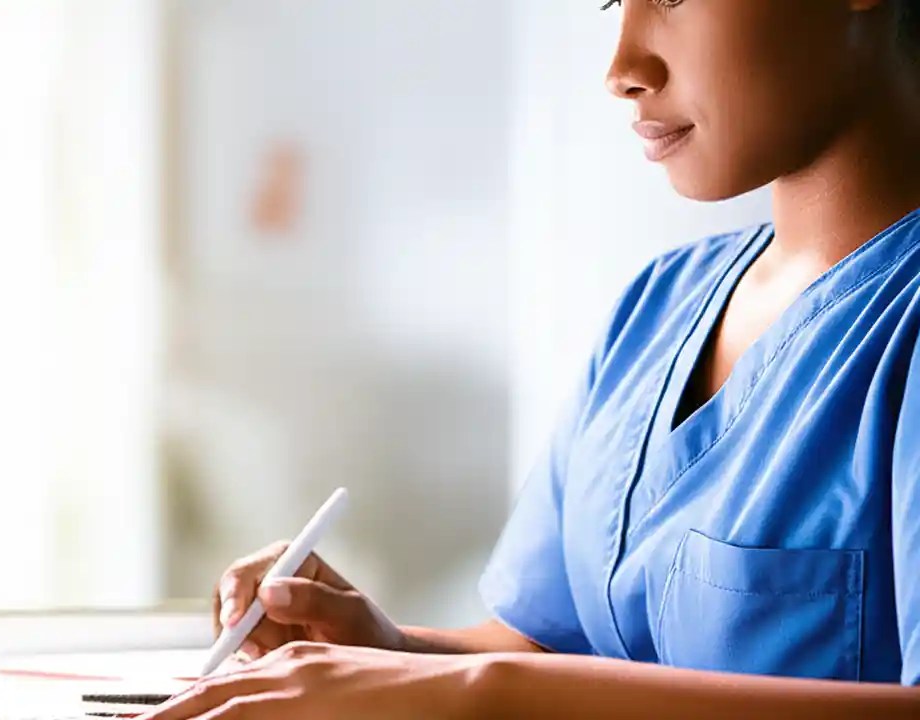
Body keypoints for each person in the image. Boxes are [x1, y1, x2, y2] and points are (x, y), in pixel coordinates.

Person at [142, 0, 920, 717]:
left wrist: (475, 690)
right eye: (617, 1)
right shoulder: (656, 308)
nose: (623, 69)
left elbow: (520, 687)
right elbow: (550, 650)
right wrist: (382, 654)